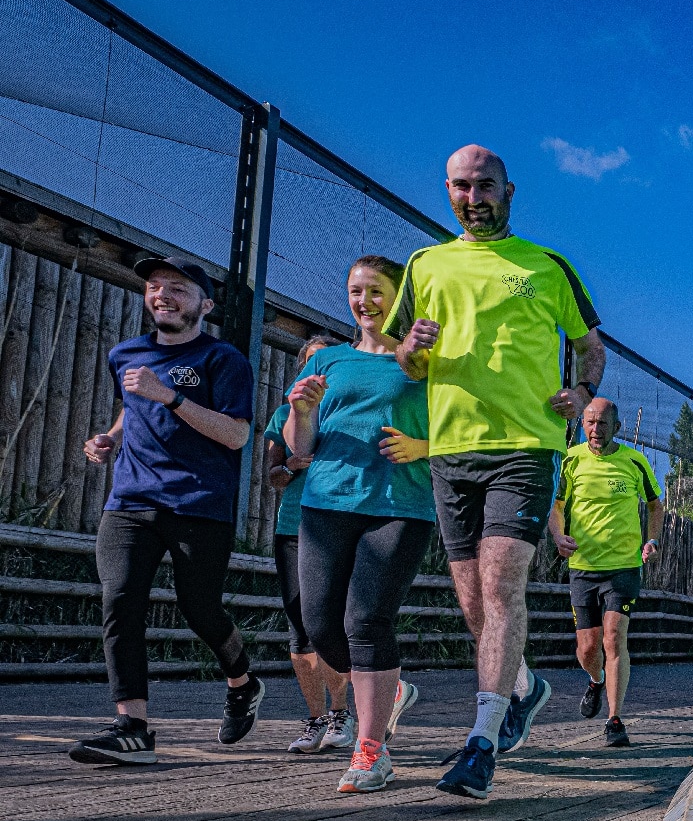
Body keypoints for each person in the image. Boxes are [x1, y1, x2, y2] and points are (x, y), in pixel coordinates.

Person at [387, 145, 605, 800]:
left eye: (485, 185)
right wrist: (411, 349)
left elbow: (590, 346)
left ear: (510, 191)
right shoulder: (425, 265)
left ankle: (481, 742)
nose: (473, 196)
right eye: (461, 186)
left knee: (503, 583)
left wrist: (582, 392)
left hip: (525, 446)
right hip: (451, 450)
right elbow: (406, 363)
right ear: (447, 190)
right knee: (473, 602)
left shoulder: (547, 265)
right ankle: (525, 686)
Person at [71, 256, 261, 764]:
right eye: (155, 287)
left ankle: (242, 682)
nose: (163, 295)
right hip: (130, 501)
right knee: (120, 600)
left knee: (200, 609)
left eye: (178, 288)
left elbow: (236, 434)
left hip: (199, 503)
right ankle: (132, 728)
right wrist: (109, 438)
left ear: (205, 304)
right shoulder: (125, 354)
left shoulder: (223, 360)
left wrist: (171, 397)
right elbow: (131, 407)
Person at [285, 255, 435, 792]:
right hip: (325, 502)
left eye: (376, 291)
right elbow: (299, 447)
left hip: (399, 504)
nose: (364, 302)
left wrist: (422, 446)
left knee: (367, 621)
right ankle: (389, 688)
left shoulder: (426, 363)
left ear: (399, 298)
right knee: (320, 626)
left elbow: (465, 432)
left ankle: (372, 753)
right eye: (355, 291)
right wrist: (302, 411)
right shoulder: (329, 360)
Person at [551, 397, 663, 747]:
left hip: (624, 566)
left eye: (602, 423)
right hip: (583, 567)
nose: (595, 429)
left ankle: (614, 719)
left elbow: (655, 505)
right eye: (589, 422)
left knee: (614, 637)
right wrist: (558, 535)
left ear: (616, 427)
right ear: (582, 425)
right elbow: (556, 504)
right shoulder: (570, 461)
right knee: (587, 649)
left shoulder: (634, 461)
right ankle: (596, 679)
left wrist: (652, 540)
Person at [265, 333, 354, 754]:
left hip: (337, 524)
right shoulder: (285, 414)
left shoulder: (350, 413)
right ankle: (316, 718)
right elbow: (273, 477)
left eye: (328, 363)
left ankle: (341, 712)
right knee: (300, 625)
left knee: (331, 623)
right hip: (293, 527)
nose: (320, 370)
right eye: (312, 362)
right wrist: (291, 463)